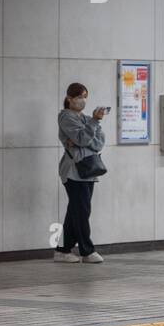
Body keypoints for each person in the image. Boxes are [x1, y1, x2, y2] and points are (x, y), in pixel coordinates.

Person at [56, 82, 106, 264]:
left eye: (85, 97)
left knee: (76, 210)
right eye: (79, 97)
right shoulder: (66, 118)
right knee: (82, 210)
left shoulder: (85, 119)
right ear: (69, 98)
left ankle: (63, 250)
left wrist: (90, 128)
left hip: (88, 170)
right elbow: (83, 138)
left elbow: (98, 143)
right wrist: (93, 124)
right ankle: (87, 250)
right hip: (73, 172)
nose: (82, 101)